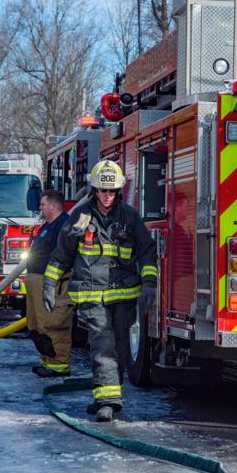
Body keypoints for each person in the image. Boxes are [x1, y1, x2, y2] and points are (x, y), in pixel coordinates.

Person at [43, 160, 158, 422]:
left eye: (113, 191)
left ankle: (109, 396)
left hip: (124, 296)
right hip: (93, 297)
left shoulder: (129, 217)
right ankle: (107, 400)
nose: (108, 196)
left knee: (118, 348)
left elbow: (147, 251)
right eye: (103, 191)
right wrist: (49, 285)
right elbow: (62, 254)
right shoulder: (81, 217)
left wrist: (150, 283)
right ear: (94, 189)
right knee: (102, 346)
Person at [25, 190, 75, 378]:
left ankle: (60, 365)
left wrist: (54, 282)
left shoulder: (63, 226)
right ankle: (48, 361)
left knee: (55, 323)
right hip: (37, 281)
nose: (40, 207)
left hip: (53, 284)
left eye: (42, 204)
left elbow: (63, 257)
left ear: (53, 206)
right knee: (38, 325)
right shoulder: (48, 225)